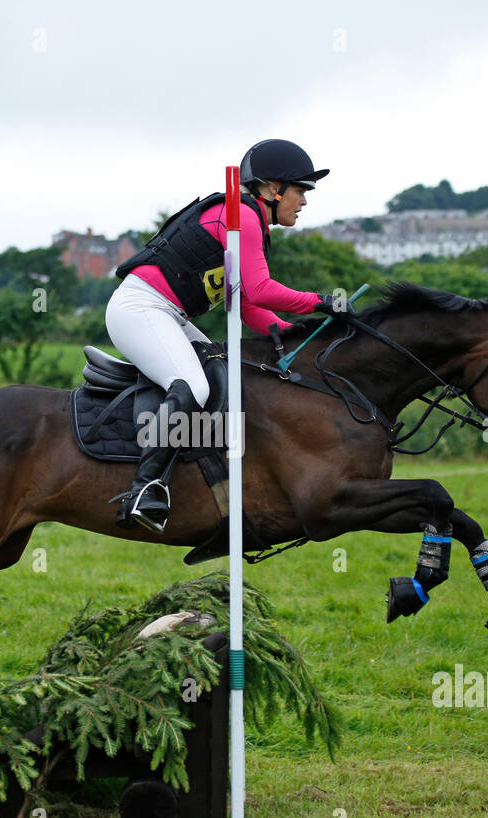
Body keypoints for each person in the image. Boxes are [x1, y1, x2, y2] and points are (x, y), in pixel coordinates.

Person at [105, 139, 349, 534]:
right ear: (273, 189)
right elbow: (260, 290)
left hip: (169, 313)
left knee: (222, 376)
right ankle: (143, 487)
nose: (304, 201)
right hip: (141, 309)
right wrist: (321, 301)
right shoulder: (243, 217)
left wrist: (289, 335)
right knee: (193, 386)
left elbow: (245, 305)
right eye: (301, 190)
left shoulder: (246, 218)